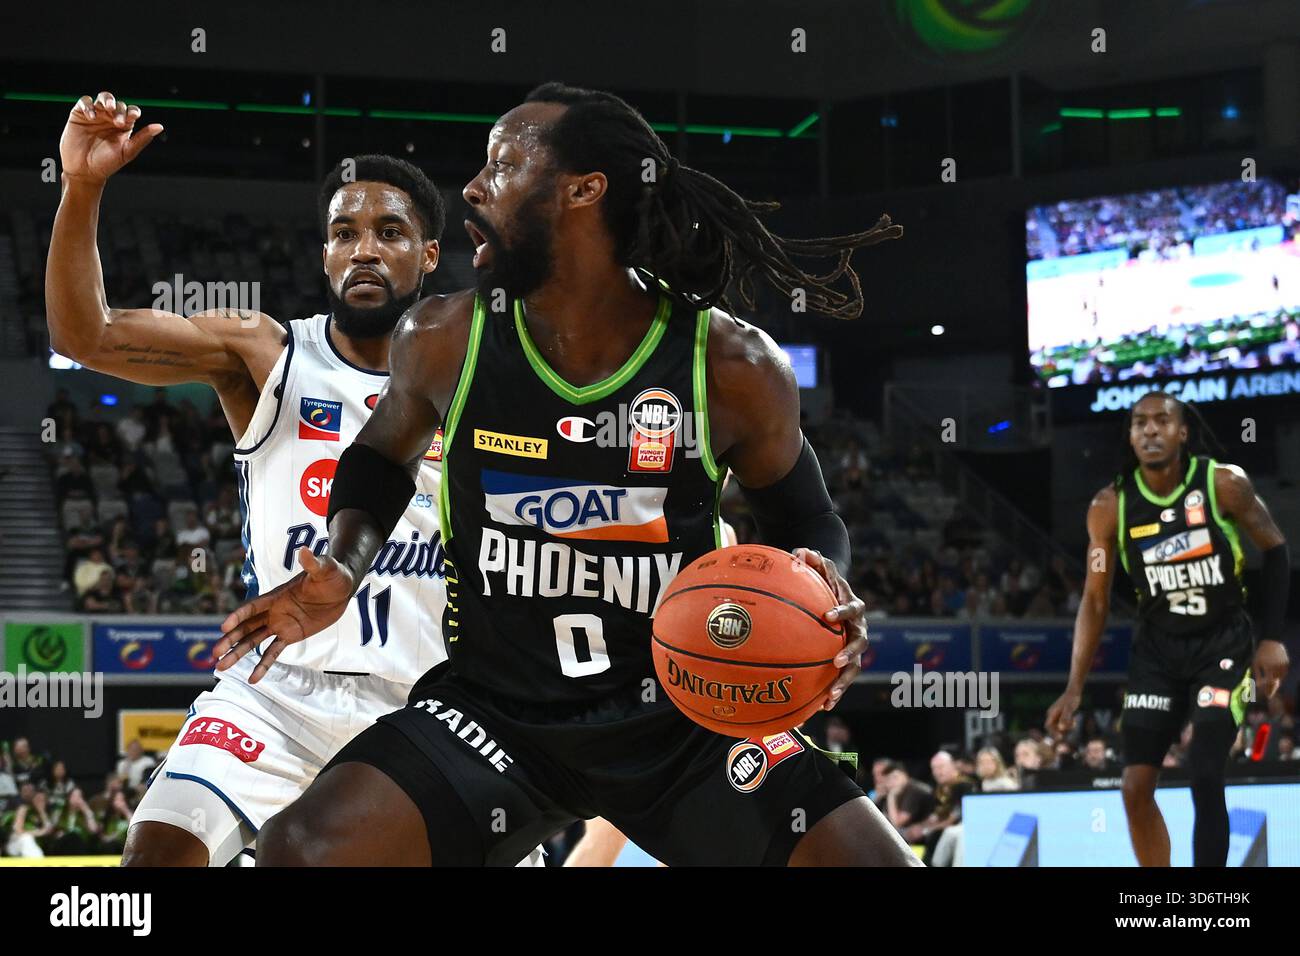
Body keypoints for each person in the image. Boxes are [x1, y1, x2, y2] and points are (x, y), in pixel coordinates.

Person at [219, 83, 918, 867]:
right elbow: (380, 457)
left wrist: (828, 594)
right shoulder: (446, 336)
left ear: (584, 191)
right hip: (496, 717)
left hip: (686, 716)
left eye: (503, 166)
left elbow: (808, 520)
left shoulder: (728, 364)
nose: (474, 189)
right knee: (301, 850)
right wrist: (342, 568)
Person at [46, 91, 555, 868]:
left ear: (426, 256)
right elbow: (86, 334)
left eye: (389, 233)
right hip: (277, 698)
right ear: (322, 255)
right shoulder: (267, 355)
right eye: (343, 233)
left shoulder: (490, 375)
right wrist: (83, 188)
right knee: (153, 865)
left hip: (430, 707)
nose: (363, 250)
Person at [1048, 391, 1290, 866]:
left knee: (1204, 772)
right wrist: (1074, 687)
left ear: (1182, 432)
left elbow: (1276, 550)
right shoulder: (1109, 506)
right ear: (1131, 435)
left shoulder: (1223, 484)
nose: (1150, 430)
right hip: (1157, 654)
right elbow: (1095, 600)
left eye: (1162, 421)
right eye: (1139, 423)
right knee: (1135, 788)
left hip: (1223, 645)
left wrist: (1273, 637)